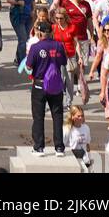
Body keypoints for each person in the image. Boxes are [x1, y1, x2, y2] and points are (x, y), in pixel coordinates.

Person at [25, 19, 67, 156]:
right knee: (58, 116)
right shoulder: (59, 46)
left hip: (39, 84)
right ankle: (59, 147)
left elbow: (29, 67)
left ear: (40, 32)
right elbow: (63, 62)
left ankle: (39, 147)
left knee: (38, 116)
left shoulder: (35, 47)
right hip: (55, 84)